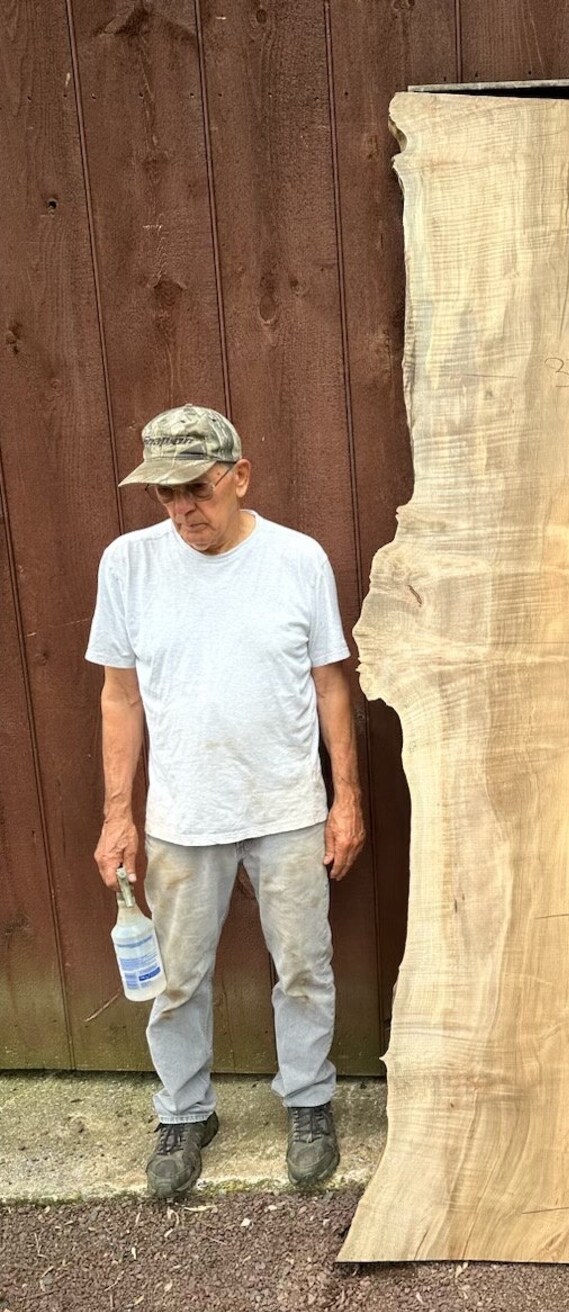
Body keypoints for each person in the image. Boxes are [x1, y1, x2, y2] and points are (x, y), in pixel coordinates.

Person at [85, 404, 365, 1201]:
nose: (183, 509)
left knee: (304, 967)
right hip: (184, 815)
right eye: (164, 493)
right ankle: (184, 1113)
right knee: (178, 977)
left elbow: (330, 686)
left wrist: (346, 799)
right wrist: (117, 814)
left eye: (197, 488)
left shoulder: (296, 560)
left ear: (240, 476)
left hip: (287, 805)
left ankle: (307, 1102)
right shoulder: (129, 565)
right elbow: (119, 697)